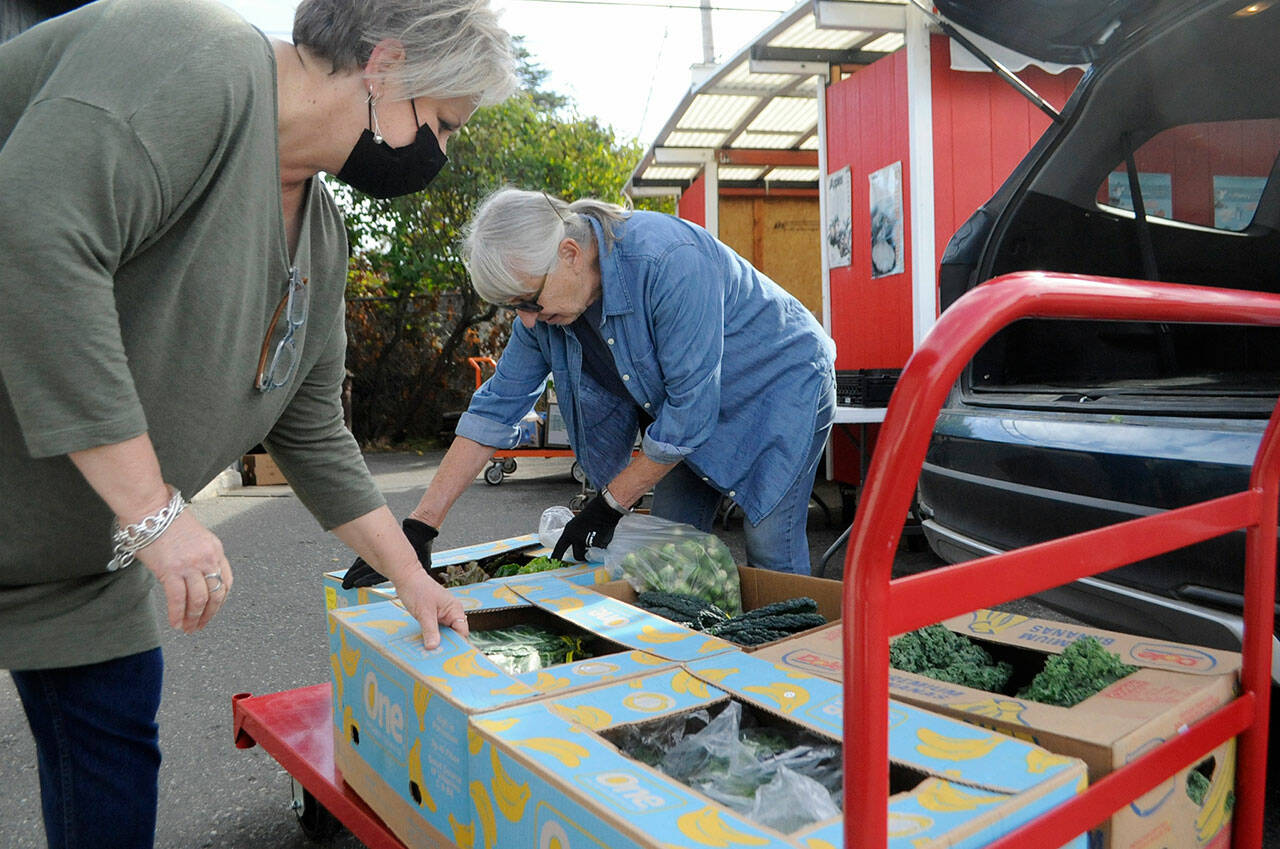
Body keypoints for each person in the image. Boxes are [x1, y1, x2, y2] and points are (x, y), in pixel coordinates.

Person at [0, 0, 515, 846]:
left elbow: (310, 426)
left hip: (77, 571)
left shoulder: (320, 230)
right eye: (446, 124)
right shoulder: (189, 56)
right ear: (384, 68)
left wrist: (408, 575)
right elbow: (35, 238)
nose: (442, 152)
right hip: (95, 523)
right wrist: (155, 513)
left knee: (113, 760)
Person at [346, 187, 835, 586]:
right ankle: (704, 685)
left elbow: (689, 414)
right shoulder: (547, 309)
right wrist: (420, 525)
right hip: (687, 415)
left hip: (780, 385)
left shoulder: (669, 260)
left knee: (769, 537)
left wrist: (611, 501)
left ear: (571, 253)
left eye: (529, 301)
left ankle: (798, 691)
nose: (526, 320)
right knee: (668, 549)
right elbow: (495, 410)